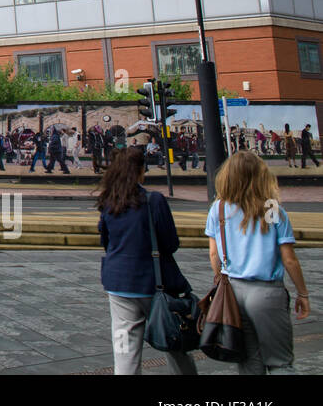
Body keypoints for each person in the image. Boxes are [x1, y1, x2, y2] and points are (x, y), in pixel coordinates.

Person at [96, 146, 199, 376]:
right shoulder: (154, 201)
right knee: (175, 340)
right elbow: (171, 243)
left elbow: (106, 241)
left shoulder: (109, 202)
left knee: (124, 350)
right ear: (140, 171)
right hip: (155, 285)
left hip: (119, 286)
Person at [206, 151, 311, 374]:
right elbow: (289, 259)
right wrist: (303, 294)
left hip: (233, 291)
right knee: (279, 361)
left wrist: (219, 278)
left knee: (248, 360)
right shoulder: (271, 208)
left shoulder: (219, 209)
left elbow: (214, 254)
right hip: (266, 293)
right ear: (260, 175)